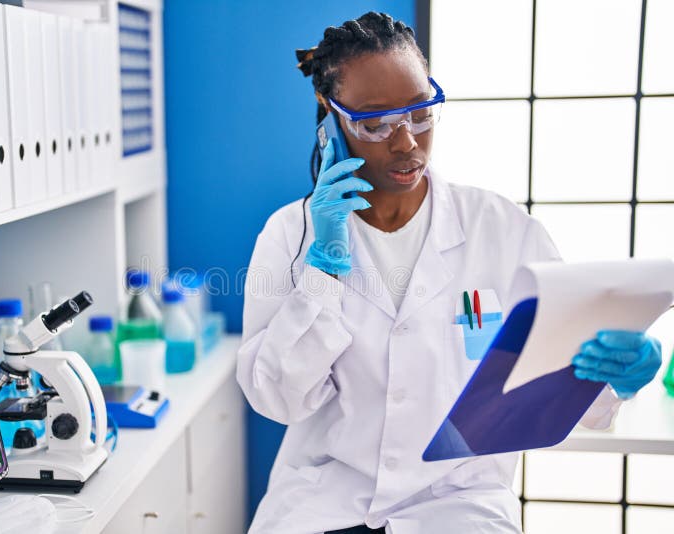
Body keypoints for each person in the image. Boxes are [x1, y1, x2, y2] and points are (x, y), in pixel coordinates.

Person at [236, 12, 662, 534]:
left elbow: (564, 389)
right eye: (376, 123)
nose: (406, 143)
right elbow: (276, 398)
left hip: (458, 505)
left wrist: (614, 378)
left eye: (421, 113)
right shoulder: (290, 235)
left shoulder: (505, 231)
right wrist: (322, 269)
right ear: (331, 122)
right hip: (322, 502)